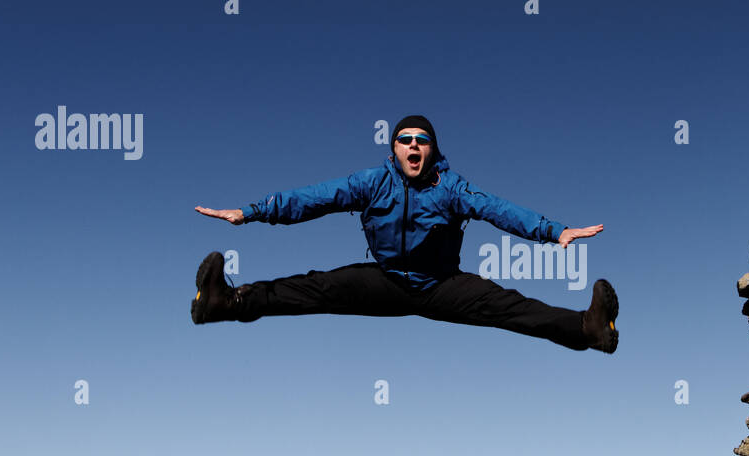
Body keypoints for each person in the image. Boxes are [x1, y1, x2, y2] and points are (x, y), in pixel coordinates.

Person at [190, 115, 619, 352]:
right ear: (394, 149)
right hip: (386, 280)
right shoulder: (372, 182)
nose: (413, 146)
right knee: (314, 287)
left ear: (432, 150)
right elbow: (314, 198)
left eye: (422, 141)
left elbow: (497, 209)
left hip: (442, 286)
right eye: (405, 140)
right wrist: (251, 213)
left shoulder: (451, 187)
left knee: (510, 307)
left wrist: (554, 232)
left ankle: (588, 328)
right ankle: (225, 303)